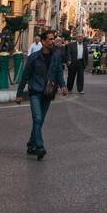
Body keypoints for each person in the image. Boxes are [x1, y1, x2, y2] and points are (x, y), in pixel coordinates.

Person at [15, 30, 65, 159]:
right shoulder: (34, 57)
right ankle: (39, 146)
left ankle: (30, 145)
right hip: (35, 92)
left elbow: (59, 71)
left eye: (53, 38)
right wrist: (19, 94)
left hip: (48, 92)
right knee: (37, 118)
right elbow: (25, 76)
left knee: (40, 120)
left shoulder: (56, 56)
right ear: (43, 41)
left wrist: (63, 85)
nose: (52, 41)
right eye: (49, 39)